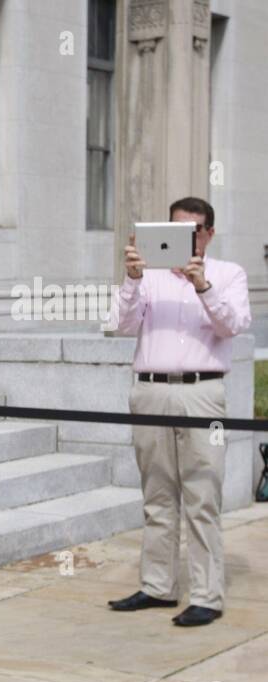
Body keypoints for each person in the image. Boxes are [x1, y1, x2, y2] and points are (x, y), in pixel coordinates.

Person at [108, 197, 252, 627]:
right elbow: (121, 324)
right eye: (173, 229)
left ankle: (207, 594)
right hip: (150, 390)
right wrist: (132, 279)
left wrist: (202, 285)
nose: (183, 238)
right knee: (156, 494)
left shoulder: (228, 274)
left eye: (192, 231)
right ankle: (157, 586)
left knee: (202, 495)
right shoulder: (148, 278)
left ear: (207, 233)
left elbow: (234, 325)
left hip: (202, 392)